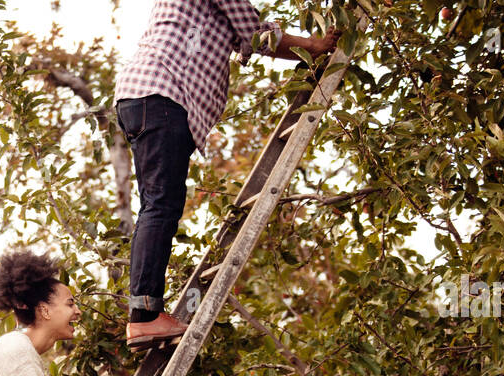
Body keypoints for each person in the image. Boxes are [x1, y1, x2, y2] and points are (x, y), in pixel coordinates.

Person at [116, 0, 340, 348]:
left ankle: (145, 313)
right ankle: (144, 316)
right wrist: (315, 46)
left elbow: (243, 38)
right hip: (163, 94)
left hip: (145, 96)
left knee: (157, 205)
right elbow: (254, 33)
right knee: (160, 206)